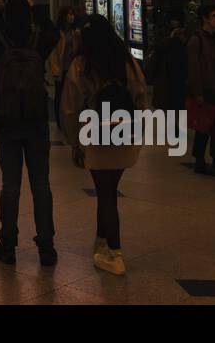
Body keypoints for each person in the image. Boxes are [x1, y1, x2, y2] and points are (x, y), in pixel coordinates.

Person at [62, 15, 150, 275]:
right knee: (109, 191)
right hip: (124, 134)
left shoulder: (82, 65)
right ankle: (102, 241)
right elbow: (141, 97)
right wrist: (138, 131)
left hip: (96, 135)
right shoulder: (126, 61)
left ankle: (115, 252)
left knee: (106, 194)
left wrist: (75, 142)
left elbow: (70, 108)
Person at [0, 0, 58, 267]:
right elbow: (53, 30)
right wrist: (36, 10)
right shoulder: (40, 42)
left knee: (10, 185)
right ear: (30, 14)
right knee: (41, 184)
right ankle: (46, 246)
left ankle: (8, 243)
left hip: (7, 122)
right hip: (36, 123)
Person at [186, 2, 215, 176]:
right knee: (204, 126)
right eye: (214, 16)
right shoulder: (197, 40)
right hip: (206, 89)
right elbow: (193, 68)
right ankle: (200, 160)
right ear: (205, 18)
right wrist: (198, 92)